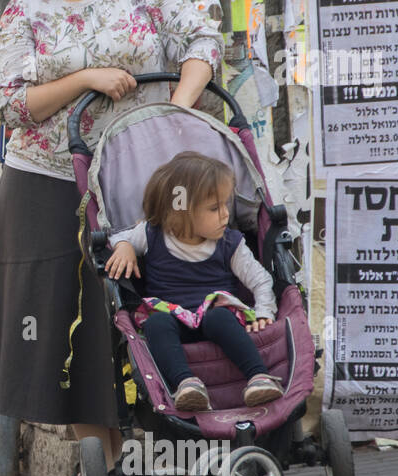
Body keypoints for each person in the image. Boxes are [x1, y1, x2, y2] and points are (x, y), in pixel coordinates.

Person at [0, 0, 222, 476]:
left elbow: (202, 39)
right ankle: (100, 460)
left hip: (143, 170)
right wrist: (85, 78)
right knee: (62, 327)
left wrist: (179, 112)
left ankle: (157, 439)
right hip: (48, 182)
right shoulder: (27, 10)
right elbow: (13, 107)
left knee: (146, 306)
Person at [105, 152, 283, 411]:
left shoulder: (230, 243)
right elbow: (115, 238)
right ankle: (186, 384)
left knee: (221, 317)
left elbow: (260, 280)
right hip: (171, 315)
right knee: (156, 324)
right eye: (214, 208)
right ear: (180, 211)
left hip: (213, 316)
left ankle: (258, 376)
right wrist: (124, 246)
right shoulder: (151, 235)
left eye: (226, 204)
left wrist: (264, 311)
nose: (225, 215)